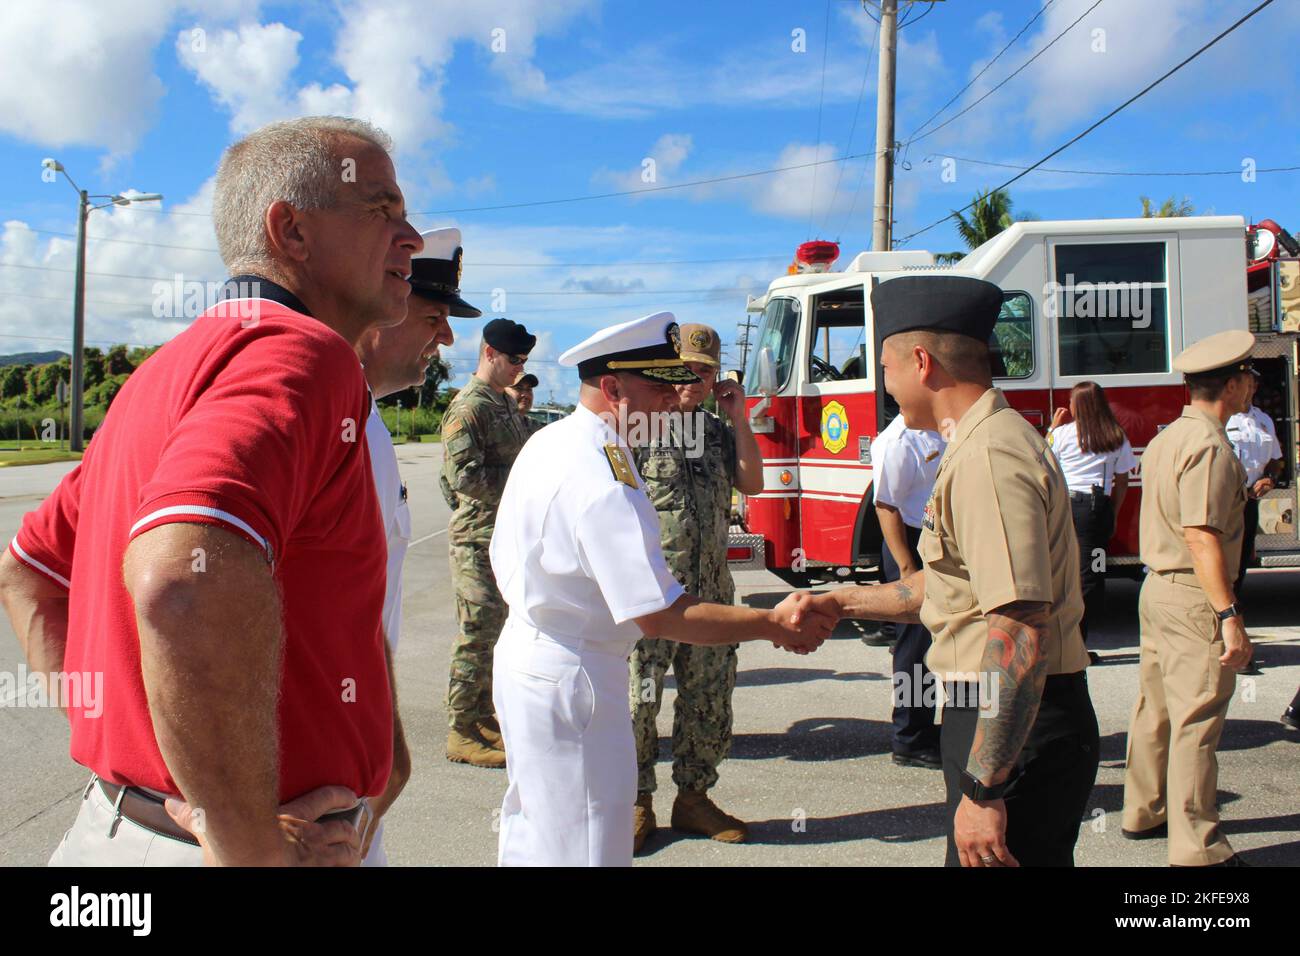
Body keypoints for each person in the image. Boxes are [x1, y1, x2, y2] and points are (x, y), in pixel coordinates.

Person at [0, 116, 422, 865]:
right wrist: (248, 842)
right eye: (380, 210)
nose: (411, 236)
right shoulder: (301, 353)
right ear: (290, 231)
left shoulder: (161, 374)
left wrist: (115, 726)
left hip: (126, 832)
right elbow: (179, 579)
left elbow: (28, 571)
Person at [488, 311, 833, 867]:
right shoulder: (603, 474)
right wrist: (773, 623)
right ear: (612, 387)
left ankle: (691, 797)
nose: (673, 398)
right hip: (577, 672)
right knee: (586, 844)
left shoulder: (555, 441)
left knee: (540, 835)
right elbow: (658, 613)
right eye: (658, 386)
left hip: (539, 657)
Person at [809, 275, 1100, 868]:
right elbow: (951, 589)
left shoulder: (988, 458)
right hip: (1005, 714)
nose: (884, 384)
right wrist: (841, 603)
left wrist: (985, 789)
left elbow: (1019, 622)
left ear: (920, 363)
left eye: (884, 367)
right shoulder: (979, 443)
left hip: (1016, 723)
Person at [354, 226, 470, 865]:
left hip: (345, 771)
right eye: (434, 316)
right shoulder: (319, 414)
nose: (447, 337)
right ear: (380, 309)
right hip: (299, 791)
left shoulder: (362, 418)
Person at [1121, 329, 1255, 867]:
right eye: (1250, 377)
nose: (1252, 386)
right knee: (1196, 719)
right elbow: (1202, 535)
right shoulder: (1209, 445)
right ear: (1236, 384)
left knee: (1155, 708)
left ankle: (1143, 810)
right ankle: (1197, 847)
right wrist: (1229, 615)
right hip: (1192, 594)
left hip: (1159, 587)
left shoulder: (1169, 436)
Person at [628, 323, 763, 851]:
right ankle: (637, 801)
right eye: (685, 369)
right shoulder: (639, 427)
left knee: (708, 698)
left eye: (704, 372)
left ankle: (693, 799)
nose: (693, 380)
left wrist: (740, 418)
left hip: (709, 596)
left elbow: (750, 483)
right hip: (651, 596)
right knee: (637, 702)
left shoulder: (717, 430)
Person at [440, 317, 535, 768]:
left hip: (503, 539)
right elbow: (462, 477)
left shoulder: (502, 403)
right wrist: (519, 486)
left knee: (496, 633)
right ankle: (460, 731)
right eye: (514, 360)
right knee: (476, 632)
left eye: (524, 360)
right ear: (490, 354)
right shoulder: (469, 407)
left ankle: (480, 716)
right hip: (477, 540)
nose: (520, 368)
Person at [871, 412, 945, 769]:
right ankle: (910, 739)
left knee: (935, 645)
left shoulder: (941, 425)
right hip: (910, 544)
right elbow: (886, 506)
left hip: (936, 539)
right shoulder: (898, 440)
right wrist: (906, 571)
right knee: (915, 648)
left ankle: (927, 728)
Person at [1047, 382, 1137, 657]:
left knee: (1063, 569)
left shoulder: (1061, 434)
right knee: (1092, 572)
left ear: (1078, 406)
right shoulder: (1115, 436)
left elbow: (1042, 459)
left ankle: (1066, 642)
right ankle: (1080, 642)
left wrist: (1052, 426)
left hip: (1066, 507)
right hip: (1096, 510)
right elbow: (1122, 480)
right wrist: (1112, 512)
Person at [1226, 371, 1283, 601]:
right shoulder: (1224, 419)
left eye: (1251, 386)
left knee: (1240, 562)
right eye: (1243, 385)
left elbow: (1276, 460)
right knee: (1222, 560)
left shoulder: (1264, 420)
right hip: (1226, 502)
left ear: (1255, 388)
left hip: (1250, 501)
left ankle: (1231, 610)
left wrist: (1270, 478)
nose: (1247, 391)